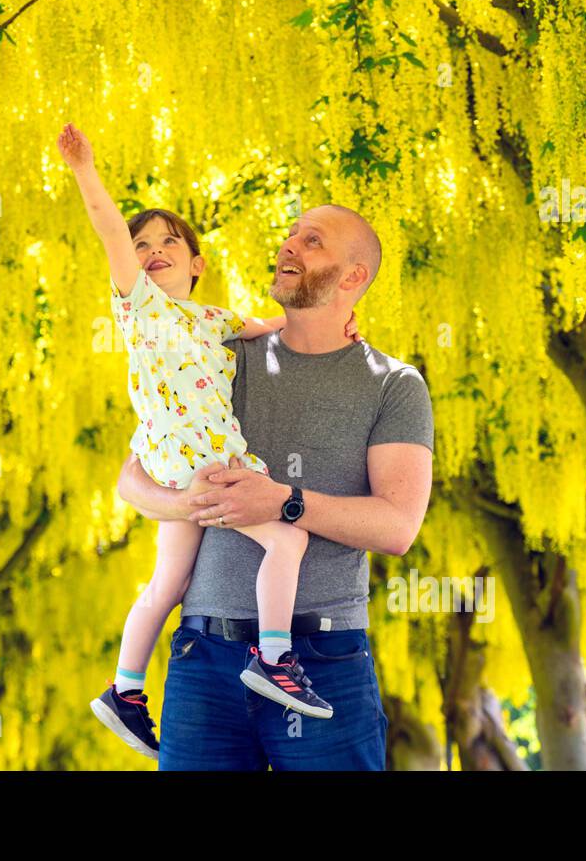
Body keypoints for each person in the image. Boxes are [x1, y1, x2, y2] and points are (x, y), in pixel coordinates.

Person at [57, 123, 360, 760]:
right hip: (202, 460)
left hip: (185, 464)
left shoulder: (215, 320)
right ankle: (274, 656)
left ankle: (126, 690)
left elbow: (269, 323)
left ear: (198, 265)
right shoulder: (139, 306)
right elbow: (109, 230)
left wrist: (335, 315)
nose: (152, 249)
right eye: (143, 245)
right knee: (288, 534)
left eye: (170, 242)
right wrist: (86, 170)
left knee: (168, 579)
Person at [117, 203, 434, 770]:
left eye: (311, 241)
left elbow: (397, 526)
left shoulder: (394, 385)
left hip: (324, 658)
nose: (289, 245)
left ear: (353, 277)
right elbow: (133, 479)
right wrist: (189, 502)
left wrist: (283, 503)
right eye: (290, 235)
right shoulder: (220, 355)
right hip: (202, 656)